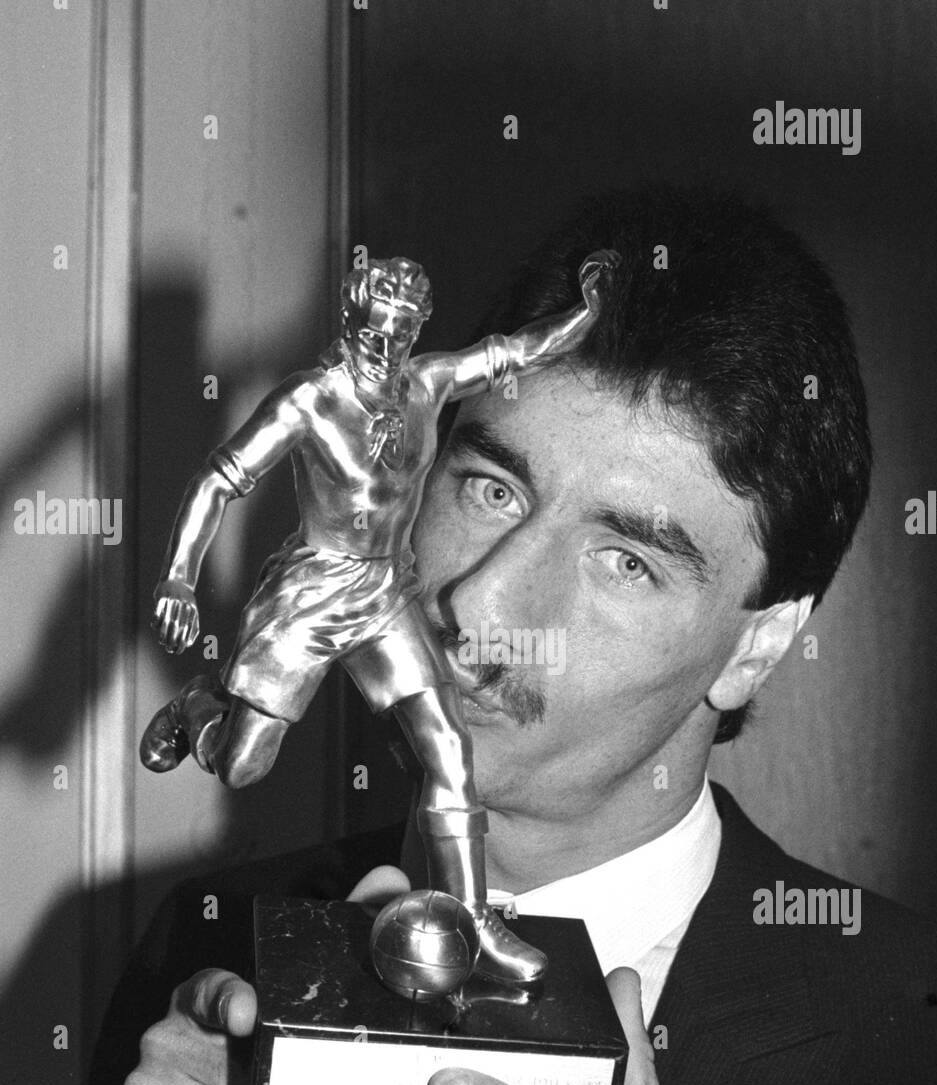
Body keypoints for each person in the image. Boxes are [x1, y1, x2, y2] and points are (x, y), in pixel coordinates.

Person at [17, 185, 937, 1085]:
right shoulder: (205, 949)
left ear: (758, 646)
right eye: (492, 487)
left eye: (624, 559)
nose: (484, 599)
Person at [139, 251, 615, 986]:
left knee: (448, 750)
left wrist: (586, 313)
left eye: (398, 332)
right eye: (371, 330)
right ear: (350, 321)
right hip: (312, 594)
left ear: (415, 328)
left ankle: (473, 922)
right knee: (241, 767)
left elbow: (513, 352)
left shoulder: (425, 385)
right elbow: (219, 478)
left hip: (386, 594)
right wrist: (178, 577)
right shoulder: (310, 401)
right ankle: (200, 705)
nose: (383, 346)